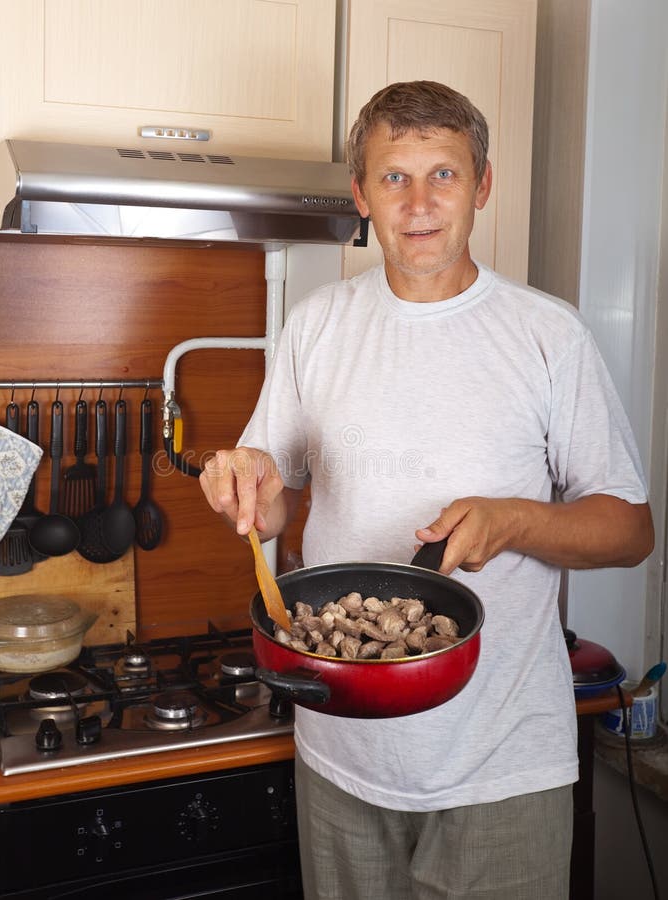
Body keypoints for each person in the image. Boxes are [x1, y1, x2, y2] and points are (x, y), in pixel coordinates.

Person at [199, 80, 654, 900]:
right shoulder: (316, 325)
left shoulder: (546, 333)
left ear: (482, 185)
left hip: (501, 764)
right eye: (393, 178)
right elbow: (274, 501)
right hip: (339, 749)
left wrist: (513, 520)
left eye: (442, 175)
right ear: (360, 195)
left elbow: (628, 532)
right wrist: (246, 488)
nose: (417, 204)